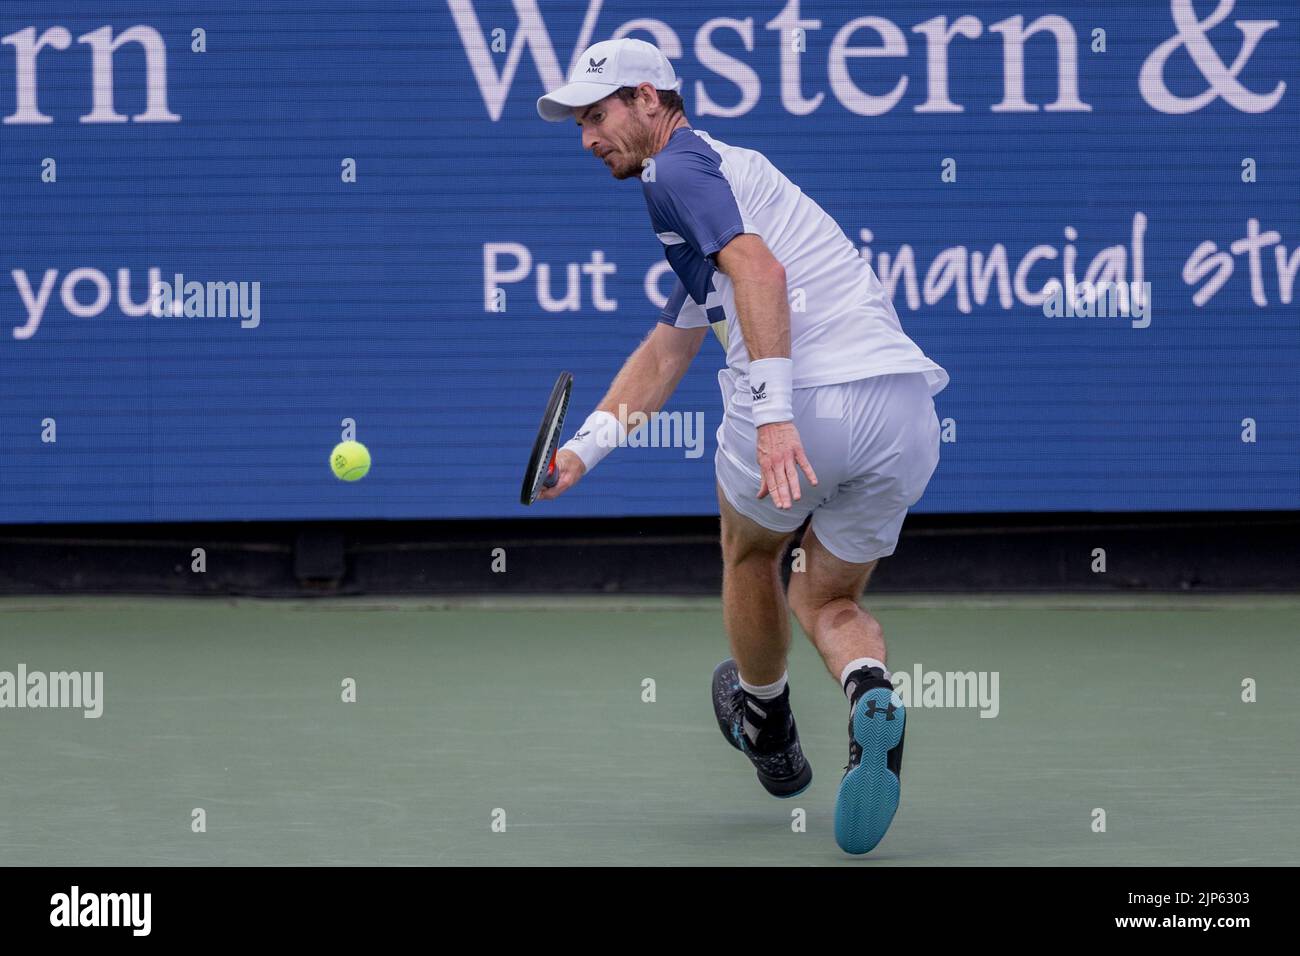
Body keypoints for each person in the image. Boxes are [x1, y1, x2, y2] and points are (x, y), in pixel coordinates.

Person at [535, 37, 948, 855]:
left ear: (651, 99)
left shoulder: (674, 172)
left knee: (750, 553)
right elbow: (666, 352)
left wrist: (776, 414)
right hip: (904, 411)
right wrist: (582, 450)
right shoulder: (727, 184)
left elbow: (760, 276)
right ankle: (871, 692)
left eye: (598, 113)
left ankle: (765, 719)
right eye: (579, 122)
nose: (587, 137)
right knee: (827, 599)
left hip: (811, 401)